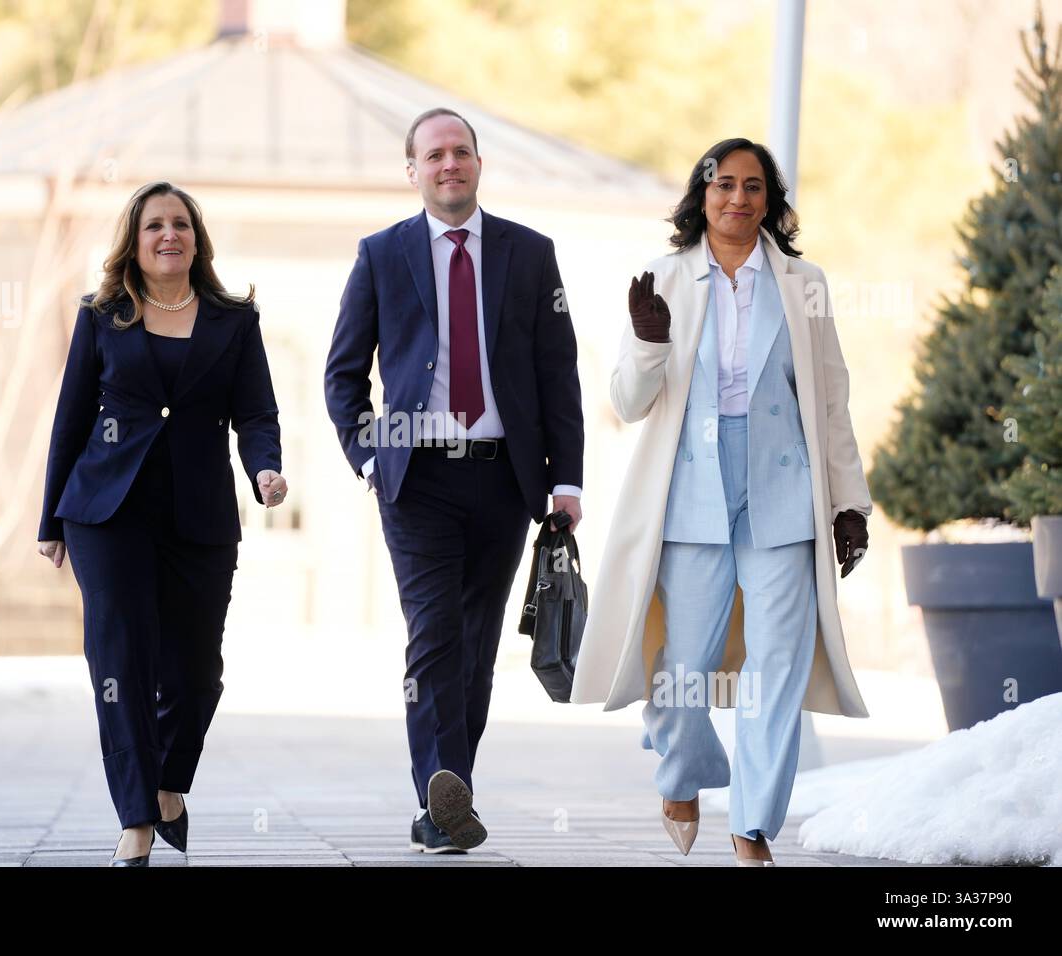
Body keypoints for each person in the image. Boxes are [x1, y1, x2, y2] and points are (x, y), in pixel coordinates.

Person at [570, 139, 872, 866]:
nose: (738, 198)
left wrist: (849, 503)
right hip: (692, 491)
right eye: (723, 184)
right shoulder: (665, 278)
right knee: (681, 664)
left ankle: (753, 825)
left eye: (753, 186)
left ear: (770, 200)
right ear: (700, 195)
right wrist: (647, 343)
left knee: (779, 666)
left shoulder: (804, 284)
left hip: (783, 490)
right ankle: (682, 773)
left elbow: (829, 399)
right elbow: (625, 402)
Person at [324, 108, 585, 853]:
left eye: (461, 152)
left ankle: (446, 802)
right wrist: (371, 458)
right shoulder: (381, 255)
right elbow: (343, 376)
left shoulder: (530, 254)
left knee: (476, 644)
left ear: (478, 163)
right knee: (434, 636)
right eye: (434, 154)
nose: (449, 164)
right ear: (412, 170)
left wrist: (565, 480)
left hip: (505, 479)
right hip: (417, 480)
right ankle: (442, 790)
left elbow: (556, 376)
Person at [36, 181, 286, 866]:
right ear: (135, 242)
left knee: (196, 673)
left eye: (181, 224)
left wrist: (265, 468)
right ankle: (137, 820)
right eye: (154, 226)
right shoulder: (102, 316)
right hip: (106, 515)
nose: (169, 235)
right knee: (120, 661)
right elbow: (71, 420)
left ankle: (170, 785)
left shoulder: (234, 322)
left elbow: (257, 413)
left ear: (197, 240)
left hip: (201, 514)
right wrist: (50, 519)